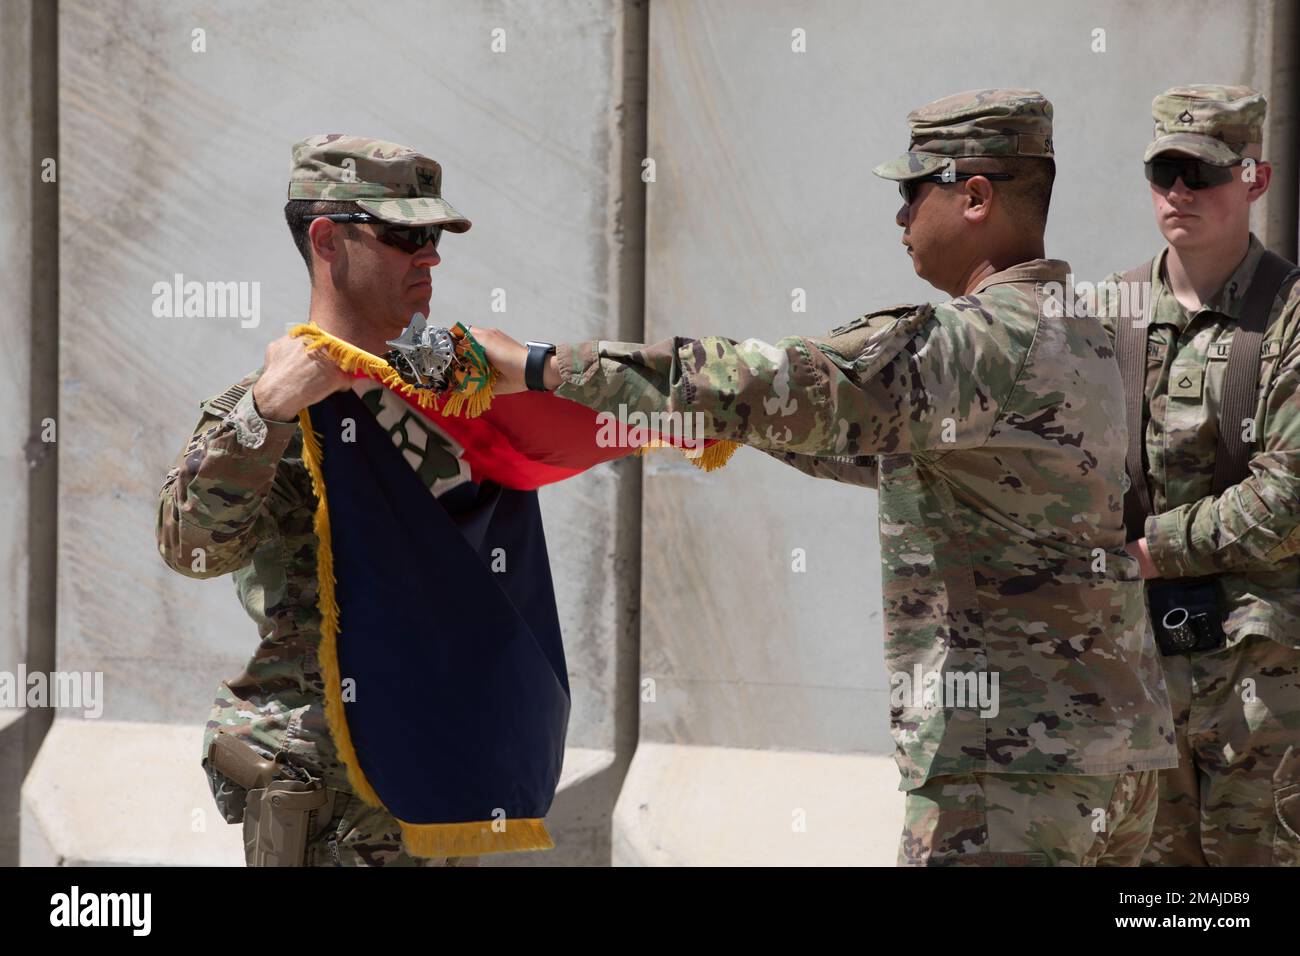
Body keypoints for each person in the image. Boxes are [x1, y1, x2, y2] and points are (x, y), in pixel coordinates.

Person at [471, 89, 1177, 865]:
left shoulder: (979, 341)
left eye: (914, 189)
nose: (900, 216)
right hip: (1112, 754)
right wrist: (713, 425)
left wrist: (543, 368)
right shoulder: (1087, 331)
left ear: (975, 196)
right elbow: (882, 445)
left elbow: (788, 384)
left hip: (1010, 767)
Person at [155, 134, 480, 866]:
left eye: (434, 239)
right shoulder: (265, 412)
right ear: (328, 240)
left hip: (437, 777)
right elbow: (190, 547)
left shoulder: (449, 396)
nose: (429, 258)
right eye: (405, 236)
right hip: (330, 797)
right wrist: (266, 413)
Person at [1093, 85, 1300, 866]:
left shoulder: (1289, 316)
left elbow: (1288, 497)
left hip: (1259, 683)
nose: (1179, 191)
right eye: (1164, 172)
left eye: (1204, 172)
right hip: (1135, 668)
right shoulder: (1105, 312)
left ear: (1256, 179)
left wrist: (1147, 551)